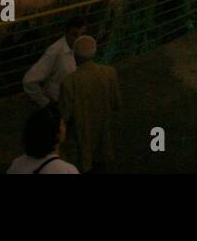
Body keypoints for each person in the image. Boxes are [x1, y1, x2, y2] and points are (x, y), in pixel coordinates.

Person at [58, 36, 120, 173]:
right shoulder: (110, 73)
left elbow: (65, 115)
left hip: (81, 141)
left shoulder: (69, 82)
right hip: (102, 137)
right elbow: (116, 103)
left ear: (75, 56)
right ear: (95, 52)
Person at [22, 16, 87, 108]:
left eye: (83, 34)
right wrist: (46, 104)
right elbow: (29, 80)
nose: (79, 39)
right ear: (66, 33)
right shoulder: (55, 51)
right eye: (74, 34)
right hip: (59, 103)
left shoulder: (82, 48)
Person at [7, 109, 79, 174]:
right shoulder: (67, 170)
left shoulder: (18, 164)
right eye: (63, 124)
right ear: (57, 134)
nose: (65, 127)